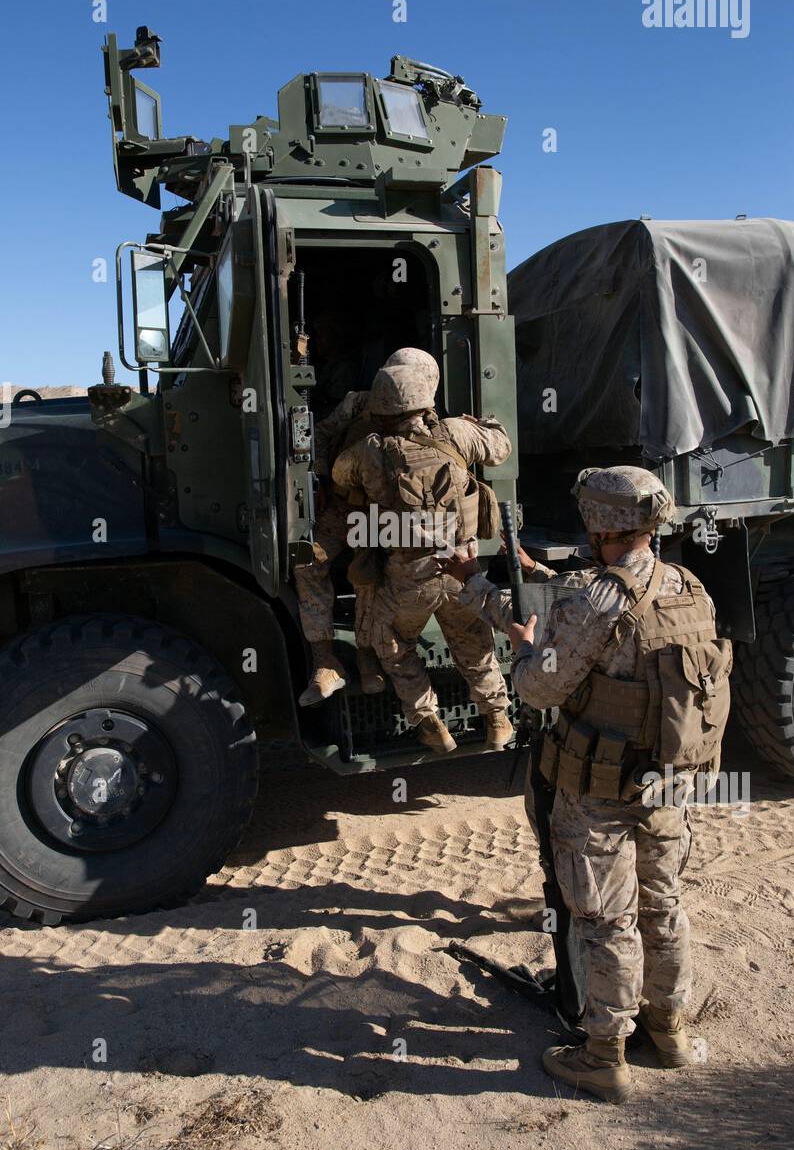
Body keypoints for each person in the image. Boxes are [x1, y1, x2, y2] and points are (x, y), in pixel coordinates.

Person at [443, 466, 731, 1103]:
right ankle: (672, 1032)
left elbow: (541, 683)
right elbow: (594, 612)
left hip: (599, 789)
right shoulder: (689, 587)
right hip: (665, 788)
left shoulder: (599, 599)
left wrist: (523, 646)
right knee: (663, 908)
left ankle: (604, 1055)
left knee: (605, 919)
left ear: (599, 523)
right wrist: (513, 581)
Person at [332, 362, 515, 754]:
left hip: (408, 574)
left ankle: (429, 722)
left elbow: (337, 475)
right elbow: (502, 447)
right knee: (473, 643)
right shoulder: (455, 433)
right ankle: (498, 718)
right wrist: (481, 422)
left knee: (389, 639)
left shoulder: (370, 450)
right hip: (461, 567)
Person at [295, 348, 441, 707]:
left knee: (368, 575)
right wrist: (320, 473)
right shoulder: (357, 404)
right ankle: (324, 660)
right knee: (307, 561)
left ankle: (366, 656)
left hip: (386, 516)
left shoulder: (432, 421)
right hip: (345, 506)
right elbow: (323, 434)